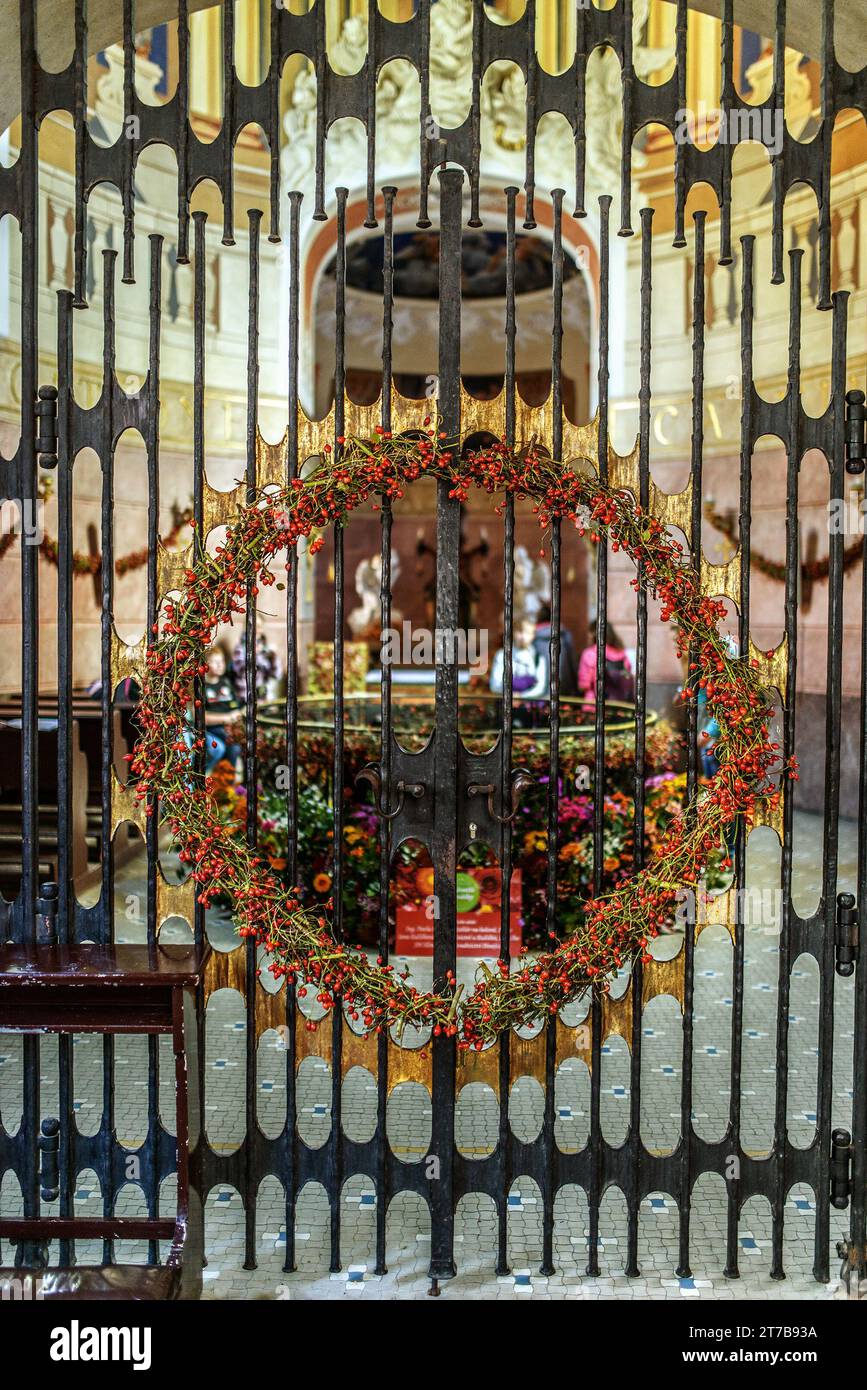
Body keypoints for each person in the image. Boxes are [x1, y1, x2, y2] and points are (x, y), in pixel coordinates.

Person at [185, 644, 242, 773]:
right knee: (220, 747)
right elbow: (196, 715)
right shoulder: (200, 686)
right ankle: (201, 776)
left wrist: (237, 715)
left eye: (221, 661)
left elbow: (235, 707)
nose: (220, 665)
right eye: (215, 662)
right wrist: (226, 718)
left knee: (235, 748)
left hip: (228, 729)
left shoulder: (226, 683)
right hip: (208, 731)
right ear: (205, 665)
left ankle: (227, 784)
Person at [577, 622, 635, 712]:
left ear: (593, 634)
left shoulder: (590, 653)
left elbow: (584, 685)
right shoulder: (622, 654)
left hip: (594, 707)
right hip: (618, 707)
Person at [489, 617, 548, 699]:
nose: (523, 636)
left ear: (533, 635)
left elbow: (540, 687)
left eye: (528, 633)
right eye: (520, 631)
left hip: (530, 707)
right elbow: (495, 685)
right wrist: (511, 695)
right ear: (513, 632)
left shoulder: (538, 658)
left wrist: (522, 696)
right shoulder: (501, 655)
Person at [533, 602, 579, 697]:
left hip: (537, 689)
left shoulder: (532, 637)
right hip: (562, 686)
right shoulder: (565, 635)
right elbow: (573, 662)